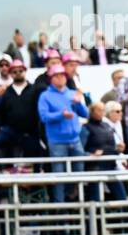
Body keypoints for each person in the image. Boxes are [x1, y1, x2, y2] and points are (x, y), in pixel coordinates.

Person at [37, 62, 89, 203]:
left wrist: (79, 103)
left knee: (79, 175)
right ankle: (60, 207)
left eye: (62, 75)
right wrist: (61, 114)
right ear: (51, 79)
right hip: (57, 141)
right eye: (56, 76)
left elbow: (86, 114)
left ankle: (79, 203)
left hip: (75, 139)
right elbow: (44, 117)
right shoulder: (45, 96)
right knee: (59, 176)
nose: (60, 78)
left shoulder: (72, 94)